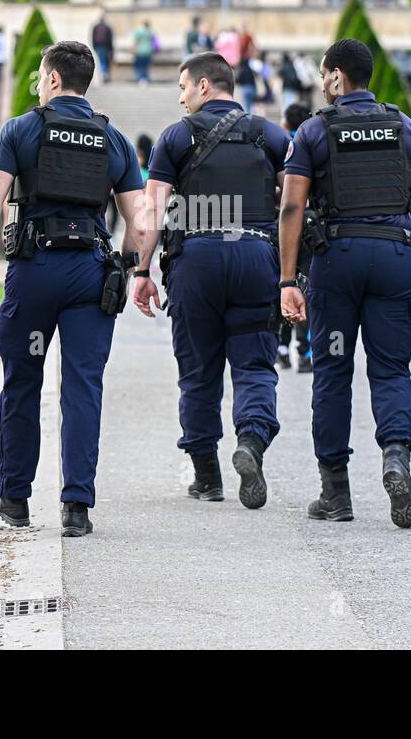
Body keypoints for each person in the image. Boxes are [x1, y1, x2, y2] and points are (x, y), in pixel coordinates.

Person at [0, 41, 144, 538]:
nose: (39, 84)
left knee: (23, 380)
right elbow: (141, 220)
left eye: (41, 77)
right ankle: (76, 507)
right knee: (83, 386)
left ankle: (15, 498)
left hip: (35, 269)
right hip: (91, 272)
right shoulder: (114, 140)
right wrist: (129, 267)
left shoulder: (22, 129)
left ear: (55, 80)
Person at [279, 38, 411, 528]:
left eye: (325, 74)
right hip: (392, 254)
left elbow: (291, 208)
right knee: (391, 369)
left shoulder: (313, 131)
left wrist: (288, 278)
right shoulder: (405, 127)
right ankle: (395, 455)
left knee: (332, 370)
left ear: (336, 77)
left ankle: (336, 492)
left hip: (337, 260)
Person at [131, 52, 290, 510]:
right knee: (255, 365)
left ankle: (207, 476)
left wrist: (142, 271)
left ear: (204, 86)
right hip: (257, 254)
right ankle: (252, 443)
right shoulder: (269, 134)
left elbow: (152, 210)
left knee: (198, 372)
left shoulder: (176, 137)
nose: (181, 98)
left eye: (183, 88)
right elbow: (296, 197)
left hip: (196, 259)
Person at [278, 103, 313, 372]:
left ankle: (281, 347)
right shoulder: (314, 140)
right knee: (307, 288)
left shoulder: (280, 145)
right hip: (313, 226)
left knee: (284, 284)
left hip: (284, 226)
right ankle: (305, 351)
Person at [91, 14, 114, 83]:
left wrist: (94, 46)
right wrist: (111, 48)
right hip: (105, 46)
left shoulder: (95, 27)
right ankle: (104, 75)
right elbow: (110, 38)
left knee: (100, 60)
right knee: (104, 60)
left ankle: (101, 75)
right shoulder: (107, 27)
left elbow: (93, 37)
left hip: (97, 45)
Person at [132, 20, 156, 84]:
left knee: (139, 66)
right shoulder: (150, 32)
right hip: (148, 51)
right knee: (146, 66)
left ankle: (141, 78)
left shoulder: (139, 31)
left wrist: (133, 51)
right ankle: (145, 78)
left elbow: (135, 42)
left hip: (139, 51)